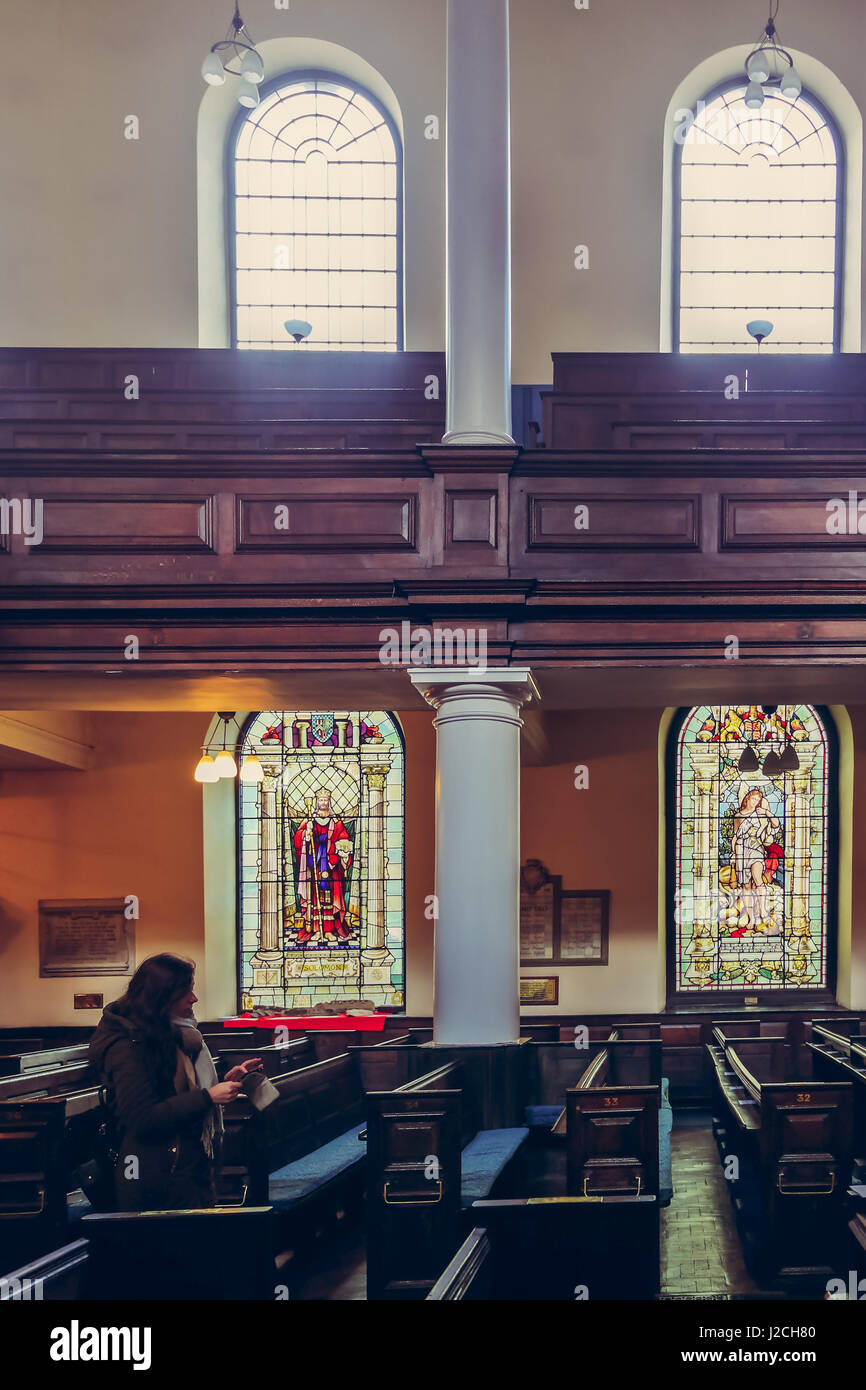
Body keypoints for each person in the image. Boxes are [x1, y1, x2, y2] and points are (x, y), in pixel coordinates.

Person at [88, 953, 261, 1211]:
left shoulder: (169, 1036)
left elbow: (173, 1091)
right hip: (154, 1175)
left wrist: (223, 1083)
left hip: (184, 1167)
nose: (194, 998)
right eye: (186, 992)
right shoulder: (126, 1046)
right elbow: (143, 1119)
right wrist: (207, 1097)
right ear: (162, 996)